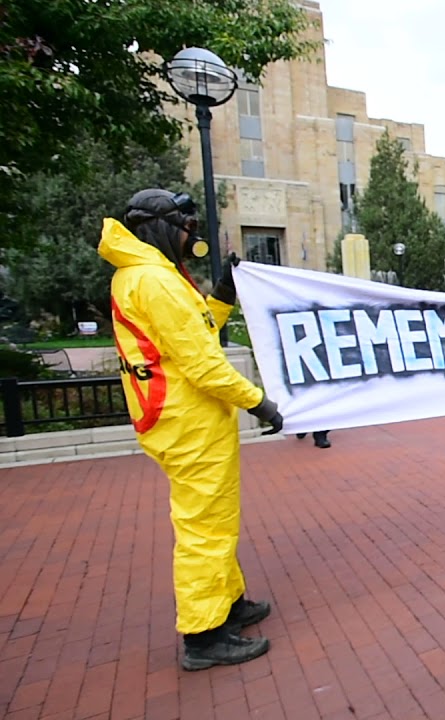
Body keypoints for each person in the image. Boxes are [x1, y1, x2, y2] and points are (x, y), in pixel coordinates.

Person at [98, 188, 285, 671]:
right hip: (187, 422)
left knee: (216, 520)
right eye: (184, 227)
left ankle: (229, 603)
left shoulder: (155, 277)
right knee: (204, 528)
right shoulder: (153, 282)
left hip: (190, 421)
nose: (190, 236)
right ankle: (203, 635)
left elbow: (195, 333)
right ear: (161, 226)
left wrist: (220, 298)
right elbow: (202, 364)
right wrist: (260, 403)